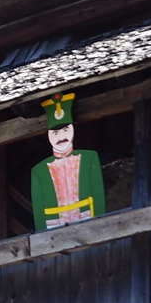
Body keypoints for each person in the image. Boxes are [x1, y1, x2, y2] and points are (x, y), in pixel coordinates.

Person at [29, 92, 106, 229]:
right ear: (48, 135)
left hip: (89, 220)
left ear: (72, 130)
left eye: (65, 130)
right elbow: (39, 207)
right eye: (55, 133)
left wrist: (102, 223)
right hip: (53, 227)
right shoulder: (39, 171)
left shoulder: (89, 159)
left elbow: (97, 192)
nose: (61, 137)